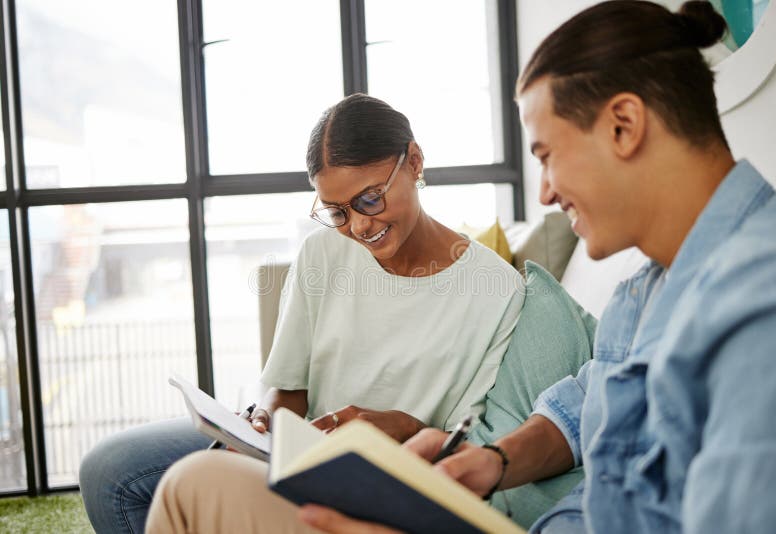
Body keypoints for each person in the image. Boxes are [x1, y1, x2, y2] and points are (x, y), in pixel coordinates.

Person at [288, 1, 776, 533]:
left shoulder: (769, 300)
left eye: (547, 155)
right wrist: (493, 461)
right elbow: (581, 410)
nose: (546, 192)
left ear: (624, 126)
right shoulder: (649, 291)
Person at [79, 93, 524, 534]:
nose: (360, 227)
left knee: (190, 486)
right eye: (337, 212)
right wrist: (263, 422)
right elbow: (288, 386)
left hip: (397, 479)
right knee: (109, 472)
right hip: (300, 455)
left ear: (414, 162)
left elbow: (467, 444)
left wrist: (405, 427)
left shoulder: (497, 288)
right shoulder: (324, 251)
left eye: (370, 200)